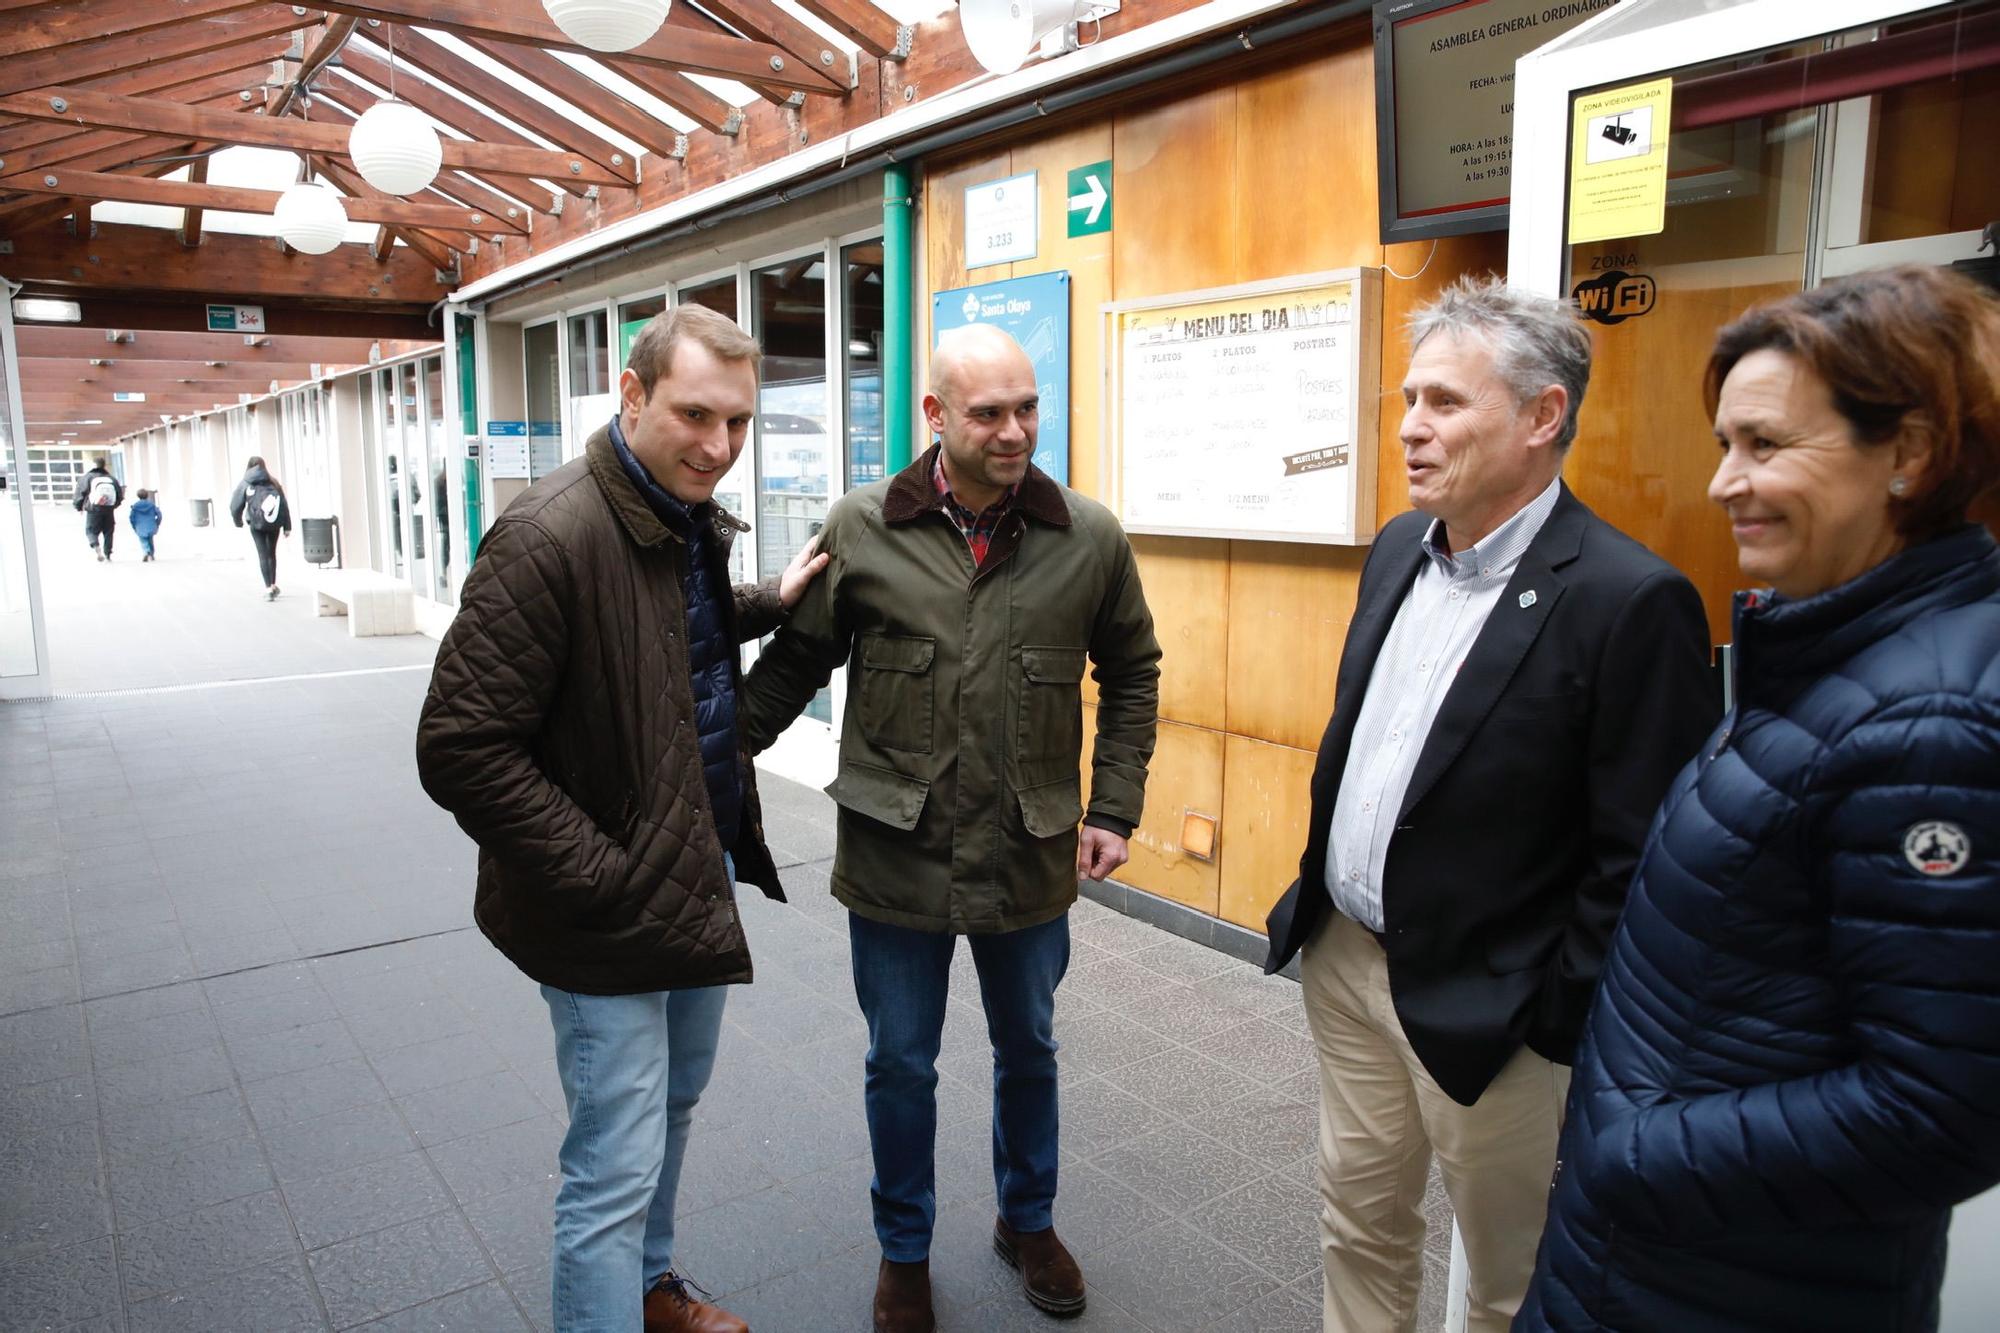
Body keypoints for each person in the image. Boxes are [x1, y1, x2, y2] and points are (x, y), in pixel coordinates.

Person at [1518, 266, 2000, 1332]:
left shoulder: (1929, 726)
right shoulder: (1830, 652)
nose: (1723, 484)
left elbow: (1938, 1109)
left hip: (1724, 1279)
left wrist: (1629, 1153)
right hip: (1666, 1261)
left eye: (1766, 445)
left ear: (1908, 454)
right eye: (1723, 444)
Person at [1261, 275, 1718, 1333]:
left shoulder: (1625, 598)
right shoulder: (1393, 551)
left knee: (1513, 1281)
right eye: (1407, 401)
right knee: (1358, 1223)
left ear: (1540, 416)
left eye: (1443, 404)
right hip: (1348, 969)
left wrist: (1553, 1018)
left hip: (1498, 1014)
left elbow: (1641, 854)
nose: (1410, 429)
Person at [740, 323, 1161, 1333]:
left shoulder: (1087, 537)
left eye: (1026, 408)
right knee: (899, 1062)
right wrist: (698, 767)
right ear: (934, 414)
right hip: (896, 853)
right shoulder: (860, 526)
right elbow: (790, 672)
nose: (1014, 431)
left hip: (1026, 849)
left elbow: (1134, 670)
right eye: (988, 413)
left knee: (1030, 1048)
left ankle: (1028, 1220)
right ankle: (903, 1252)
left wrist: (1111, 806)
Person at [416, 304, 827, 1333]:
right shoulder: (546, 535)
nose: (718, 446)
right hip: (603, 908)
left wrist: (767, 597)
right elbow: (460, 747)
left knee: (670, 1111)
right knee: (611, 1160)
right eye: (695, 414)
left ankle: (650, 1288)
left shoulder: (669, 514)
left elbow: (660, 628)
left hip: (690, 876)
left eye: (737, 423)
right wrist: (601, 875)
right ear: (631, 394)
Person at [229, 456, 292, 600]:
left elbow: (234, 505)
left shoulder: (245, 483)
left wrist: (238, 522)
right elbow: (284, 504)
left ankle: (268, 588)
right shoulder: (273, 482)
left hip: (256, 524)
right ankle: (274, 584)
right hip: (274, 523)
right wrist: (287, 526)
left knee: (262, 554)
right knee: (272, 553)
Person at [72, 455, 123, 561]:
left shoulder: (87, 477)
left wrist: (79, 507)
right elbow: (120, 495)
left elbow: (80, 493)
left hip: (93, 509)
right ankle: (108, 553)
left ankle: (96, 547)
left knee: (91, 531)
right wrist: (112, 506)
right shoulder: (111, 478)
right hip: (109, 509)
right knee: (108, 531)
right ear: (104, 465)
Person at [129, 488, 162, 562]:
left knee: (143, 540)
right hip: (151, 525)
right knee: (150, 540)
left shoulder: (135, 506)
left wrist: (134, 526)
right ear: (147, 496)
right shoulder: (151, 504)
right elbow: (159, 514)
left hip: (140, 526)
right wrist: (157, 523)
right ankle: (151, 554)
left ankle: (146, 552)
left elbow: (131, 518)